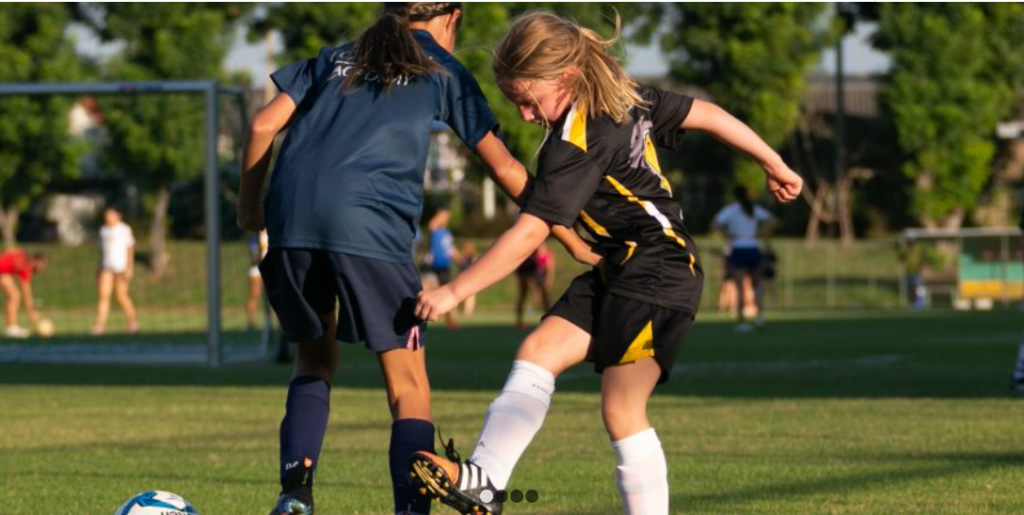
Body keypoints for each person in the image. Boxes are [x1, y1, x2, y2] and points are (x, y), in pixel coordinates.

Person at [410, 12, 802, 515]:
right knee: (538, 350)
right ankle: (484, 480)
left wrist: (454, 291)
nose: (526, 116)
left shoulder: (578, 141)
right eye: (515, 103)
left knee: (621, 407)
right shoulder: (624, 98)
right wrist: (773, 162)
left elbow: (528, 233)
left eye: (530, 101)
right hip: (621, 264)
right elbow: (706, 113)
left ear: (567, 76)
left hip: (658, 270)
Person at [235, 4, 598, 515]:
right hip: (368, 226)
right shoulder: (443, 69)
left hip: (291, 220)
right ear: (453, 16)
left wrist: (250, 211)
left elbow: (260, 127)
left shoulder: (336, 57)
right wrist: (571, 237)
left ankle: (294, 496)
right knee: (408, 386)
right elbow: (506, 169)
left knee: (313, 360)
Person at [713, 186, 774, 331]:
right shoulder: (753, 208)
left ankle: (741, 322)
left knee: (740, 289)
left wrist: (726, 234)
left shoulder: (731, 209)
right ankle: (758, 317)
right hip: (753, 249)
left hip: (738, 250)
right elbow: (771, 220)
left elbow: (715, 223)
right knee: (757, 286)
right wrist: (760, 233)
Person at [91, 205, 139, 335]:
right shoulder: (104, 230)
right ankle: (99, 325)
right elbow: (103, 252)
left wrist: (129, 267)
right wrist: (99, 267)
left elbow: (130, 249)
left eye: (111, 214)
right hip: (107, 267)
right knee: (103, 296)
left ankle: (132, 322)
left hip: (121, 268)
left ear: (118, 215)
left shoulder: (124, 229)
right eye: (106, 215)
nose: (108, 217)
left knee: (121, 296)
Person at [0, 249, 48, 339]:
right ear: (38, 260)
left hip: (2, 272)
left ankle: (11, 328)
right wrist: (31, 312)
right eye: (43, 264)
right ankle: (11, 329)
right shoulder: (26, 265)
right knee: (14, 296)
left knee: (14, 295)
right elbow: (26, 291)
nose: (43, 268)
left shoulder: (22, 255)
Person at [428, 207, 461, 328]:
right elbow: (432, 224)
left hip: (445, 266)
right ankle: (442, 318)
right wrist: (441, 214)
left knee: (446, 290)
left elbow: (450, 249)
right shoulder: (435, 230)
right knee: (436, 290)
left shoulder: (447, 233)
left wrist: (460, 259)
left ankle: (449, 318)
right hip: (436, 265)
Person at [514, 241, 555, 329]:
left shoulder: (546, 254)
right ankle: (519, 321)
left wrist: (548, 281)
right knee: (523, 294)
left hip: (538, 271)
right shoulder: (527, 255)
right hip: (527, 269)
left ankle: (548, 319)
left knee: (546, 295)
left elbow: (550, 269)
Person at [246, 229, 270, 331]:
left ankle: (272, 322)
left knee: (274, 295)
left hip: (270, 268)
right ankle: (250, 323)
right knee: (254, 295)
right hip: (256, 270)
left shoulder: (272, 235)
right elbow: (255, 256)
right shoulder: (254, 239)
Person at [458, 241, 478, 318]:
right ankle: (463, 310)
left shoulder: (472, 258)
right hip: (462, 279)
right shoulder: (463, 258)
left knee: (470, 296)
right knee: (463, 296)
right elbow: (460, 268)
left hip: (470, 279)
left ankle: (468, 312)